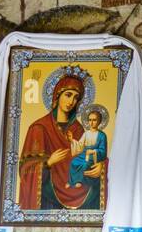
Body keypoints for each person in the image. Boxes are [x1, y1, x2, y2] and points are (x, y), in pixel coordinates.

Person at [18, 71, 104, 212]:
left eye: (76, 98)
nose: (71, 102)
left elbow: (91, 158)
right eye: (68, 95)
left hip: (79, 193)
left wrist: (100, 166)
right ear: (57, 96)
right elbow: (24, 169)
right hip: (48, 198)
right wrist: (48, 163)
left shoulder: (79, 130)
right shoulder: (39, 128)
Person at [68, 105, 108, 190]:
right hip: (84, 154)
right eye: (90, 120)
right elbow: (80, 145)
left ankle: (80, 181)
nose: (91, 122)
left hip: (93, 157)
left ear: (99, 121)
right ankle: (72, 182)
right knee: (73, 162)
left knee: (85, 165)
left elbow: (103, 151)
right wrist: (72, 140)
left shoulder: (102, 135)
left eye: (94, 120)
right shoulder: (86, 133)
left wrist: (94, 151)